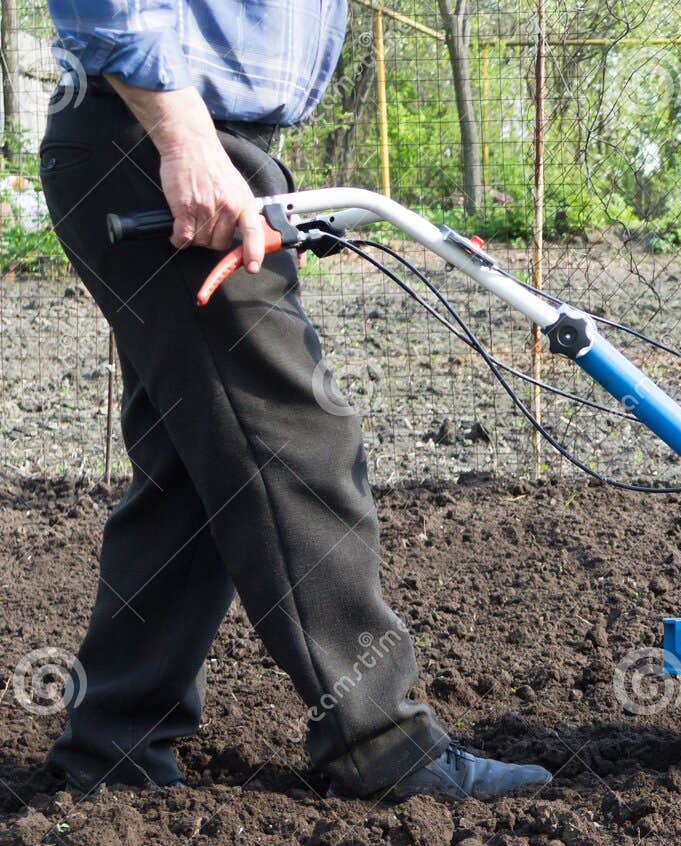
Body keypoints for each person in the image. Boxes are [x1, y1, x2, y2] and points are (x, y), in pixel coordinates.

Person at [39, 0, 550, 799]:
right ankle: (382, 745)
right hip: (159, 139)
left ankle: (114, 746)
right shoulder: (172, 131)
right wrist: (183, 137)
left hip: (188, 143)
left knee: (199, 468)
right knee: (298, 442)